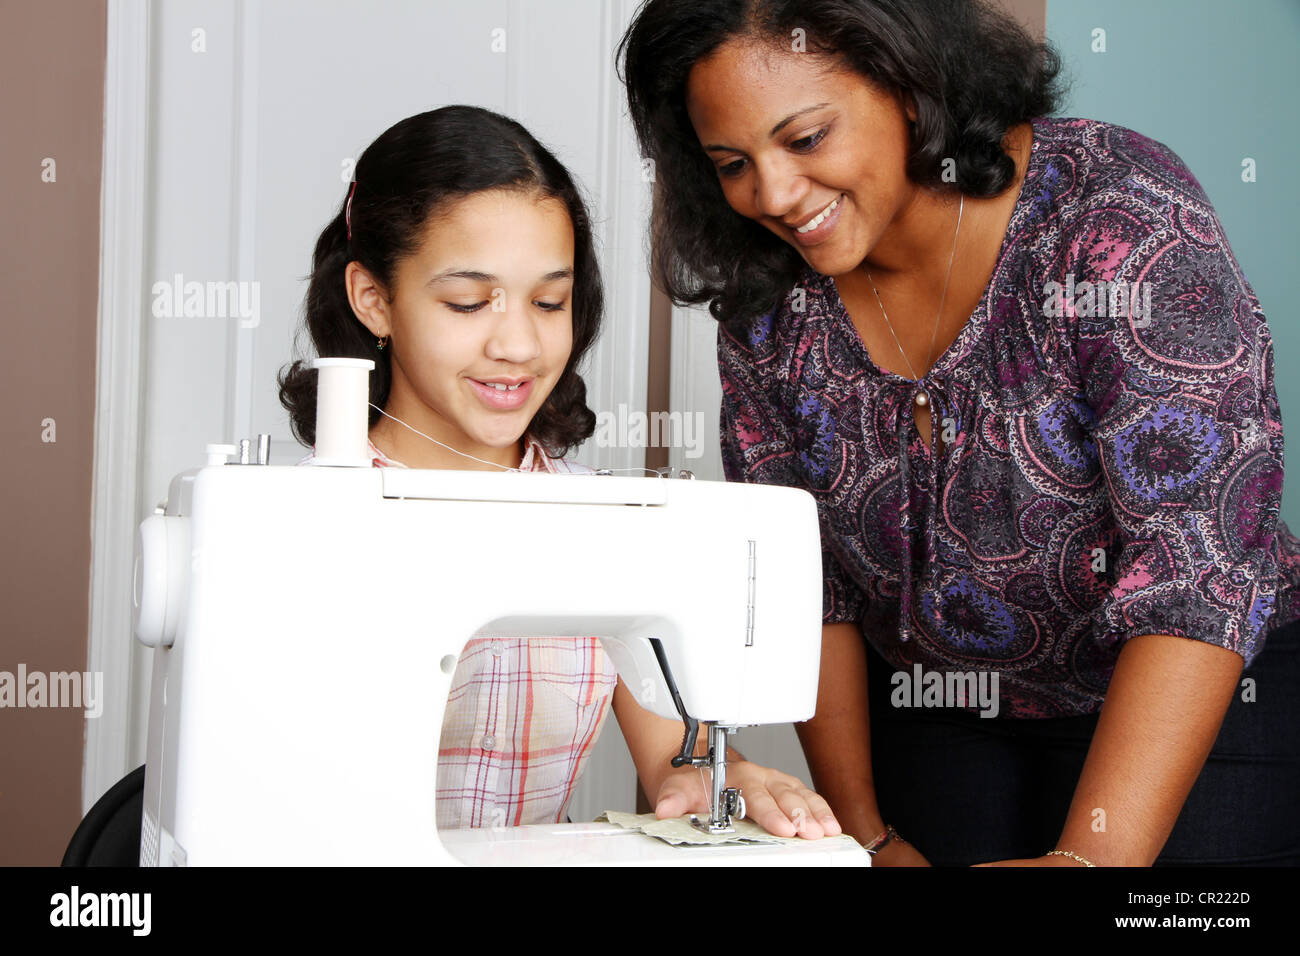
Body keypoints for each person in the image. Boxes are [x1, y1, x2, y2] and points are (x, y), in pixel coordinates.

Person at [618, 0, 1300, 865]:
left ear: (910, 83)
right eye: (732, 163)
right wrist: (865, 832)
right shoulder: (768, 298)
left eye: (806, 138)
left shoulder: (1112, 209)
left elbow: (1198, 557)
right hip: (938, 707)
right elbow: (807, 580)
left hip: (1183, 695)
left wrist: (1090, 861)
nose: (774, 195)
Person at [277, 106, 841, 840]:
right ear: (374, 300)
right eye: (469, 302)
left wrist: (715, 773)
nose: (518, 344)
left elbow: (675, 756)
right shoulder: (294, 520)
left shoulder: (600, 523)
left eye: (549, 301)